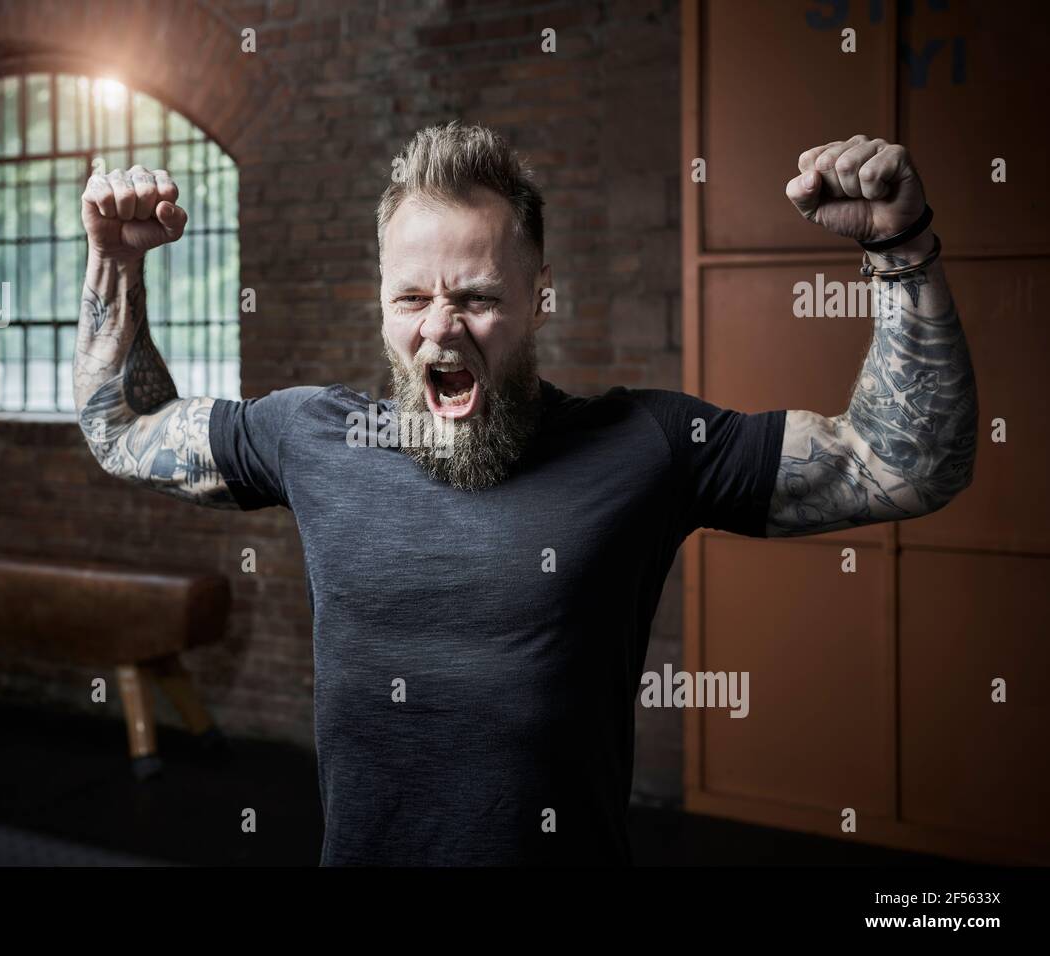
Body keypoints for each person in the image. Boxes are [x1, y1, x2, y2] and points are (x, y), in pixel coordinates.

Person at [73, 122, 977, 865]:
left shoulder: (647, 446)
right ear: (381, 304)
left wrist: (900, 248)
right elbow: (124, 432)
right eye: (410, 300)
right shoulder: (312, 436)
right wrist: (115, 261)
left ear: (540, 296)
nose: (439, 328)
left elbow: (901, 463)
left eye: (475, 297)